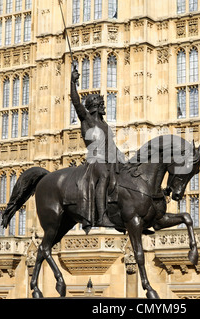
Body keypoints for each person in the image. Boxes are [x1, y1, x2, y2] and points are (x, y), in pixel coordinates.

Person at [70, 67, 126, 232]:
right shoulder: (87, 119)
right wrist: (73, 82)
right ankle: (101, 216)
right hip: (95, 161)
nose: (104, 107)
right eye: (101, 104)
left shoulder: (104, 125)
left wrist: (124, 161)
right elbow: (76, 102)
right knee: (104, 174)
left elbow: (112, 146)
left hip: (109, 159)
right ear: (94, 106)